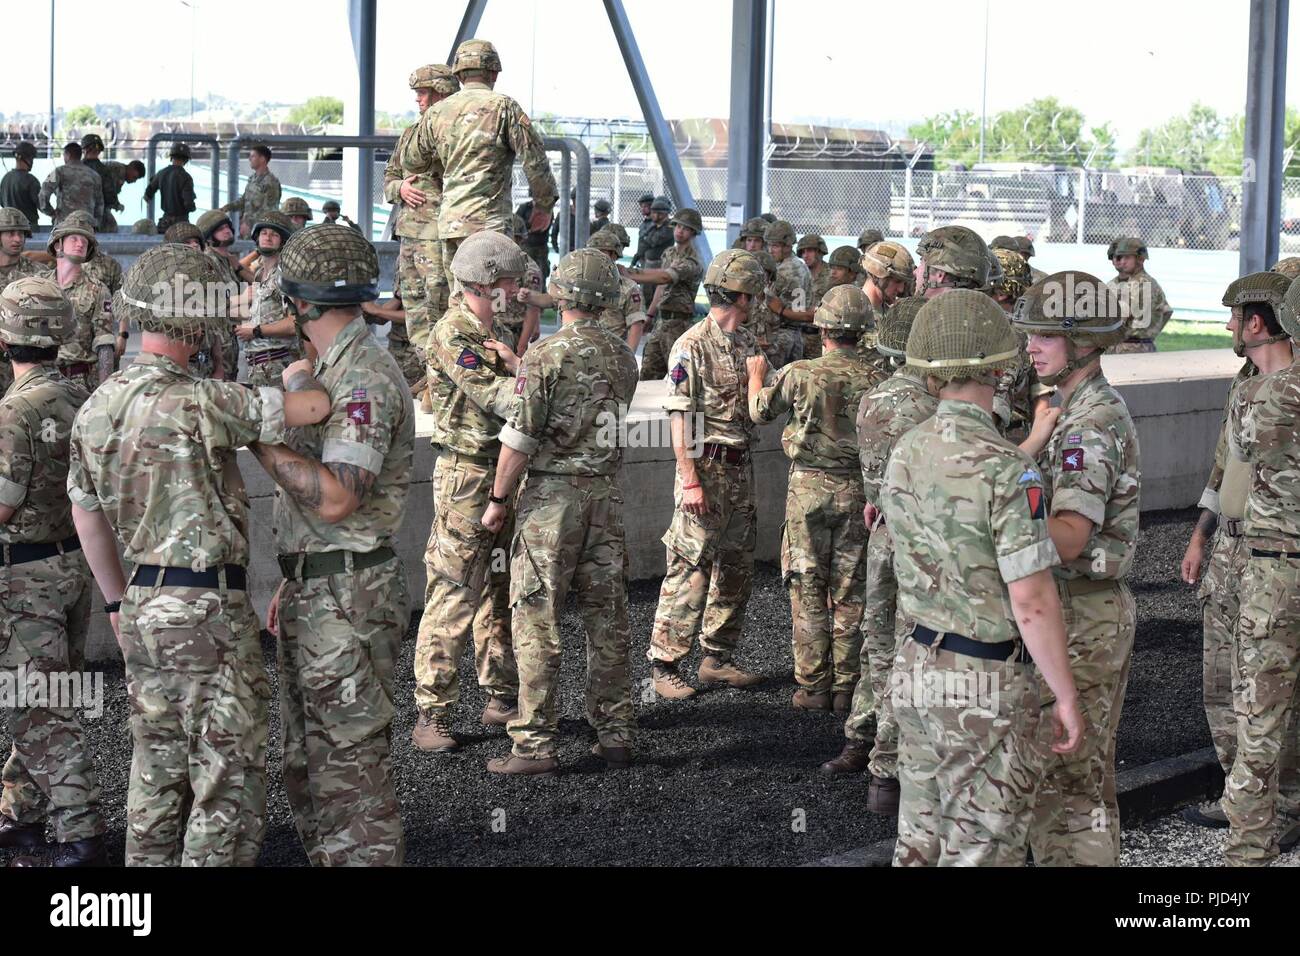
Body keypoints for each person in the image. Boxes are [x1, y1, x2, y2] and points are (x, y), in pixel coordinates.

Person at [68, 243, 332, 865]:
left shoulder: (95, 406)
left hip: (140, 602)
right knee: (227, 775)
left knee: (156, 768)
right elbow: (313, 409)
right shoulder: (207, 398)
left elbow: (86, 511)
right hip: (206, 606)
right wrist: (296, 366)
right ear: (196, 325)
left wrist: (115, 599)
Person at [882, 290, 1083, 866]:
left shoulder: (907, 450)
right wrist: (1065, 695)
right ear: (1000, 368)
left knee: (919, 842)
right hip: (985, 680)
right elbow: (1033, 599)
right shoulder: (1007, 468)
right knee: (981, 848)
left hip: (916, 666)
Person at [247, 224, 413, 867]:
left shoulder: (363, 376)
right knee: (309, 764)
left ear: (301, 304)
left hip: (347, 598)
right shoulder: (334, 368)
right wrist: (295, 574)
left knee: (350, 776)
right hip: (320, 586)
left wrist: (258, 432)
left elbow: (341, 496)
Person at [480, 249, 640, 774]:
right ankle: (615, 732)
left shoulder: (545, 356)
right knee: (607, 617)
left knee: (537, 619)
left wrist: (499, 500)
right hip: (606, 498)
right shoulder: (624, 356)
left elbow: (520, 439)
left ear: (561, 293)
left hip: (551, 503)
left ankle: (534, 744)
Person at [1011, 271, 1141, 867]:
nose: (1030, 346)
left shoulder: (1089, 423)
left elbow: (1066, 541)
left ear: (1083, 343)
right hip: (1071, 611)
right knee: (1057, 783)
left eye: (1044, 336)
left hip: (1082, 613)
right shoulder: (1067, 412)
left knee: (1070, 791)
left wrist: (1000, 532)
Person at [0, 276, 104, 867]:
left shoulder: (14, 410)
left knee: (37, 703)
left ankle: (81, 828)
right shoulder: (78, 397)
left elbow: (3, 505)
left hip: (23, 577)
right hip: (70, 565)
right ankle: (20, 811)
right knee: (48, 691)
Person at [748, 285, 887, 712]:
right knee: (851, 589)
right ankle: (847, 686)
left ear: (822, 327)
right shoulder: (881, 377)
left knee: (807, 584)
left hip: (809, 488)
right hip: (861, 488)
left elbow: (760, 411)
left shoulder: (800, 372)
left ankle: (814, 687)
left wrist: (756, 375)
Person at [411, 230, 524, 753]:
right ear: (483, 283)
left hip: (500, 472)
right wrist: (534, 375)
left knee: (498, 587)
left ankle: (500, 694)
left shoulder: (490, 330)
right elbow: (501, 397)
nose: (517, 291)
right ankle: (432, 711)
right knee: (455, 589)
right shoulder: (454, 333)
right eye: (509, 282)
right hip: (468, 477)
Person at [819, 297, 932, 817]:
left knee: (877, 640)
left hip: (884, 532)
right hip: (928, 540)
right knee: (917, 647)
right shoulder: (941, 400)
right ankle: (889, 764)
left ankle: (859, 738)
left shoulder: (876, 398)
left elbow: (872, 481)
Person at [647, 250, 772, 698]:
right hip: (705, 468)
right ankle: (664, 664)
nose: (757, 299)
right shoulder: (691, 345)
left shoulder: (748, 344)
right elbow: (679, 419)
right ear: (739, 294)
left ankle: (717, 657)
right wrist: (691, 479)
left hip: (741, 470)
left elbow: (764, 406)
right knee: (690, 567)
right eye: (753, 292)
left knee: (736, 568)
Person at [1178, 277, 1267, 829]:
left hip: (1274, 554)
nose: (1230, 325)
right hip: (1230, 547)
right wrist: (1200, 533)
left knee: (1268, 688)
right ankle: (1240, 795)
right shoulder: (1247, 380)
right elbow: (1222, 465)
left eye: (1236, 315)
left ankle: (1276, 804)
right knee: (1221, 679)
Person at [1221, 272, 1300, 866]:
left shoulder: (1258, 395)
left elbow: (1241, 463)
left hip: (1274, 569)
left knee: (1259, 714)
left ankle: (1250, 847)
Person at [399, 39, 557, 291]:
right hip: (490, 225)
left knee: (459, 302)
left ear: (459, 74)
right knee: (493, 303)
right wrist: (544, 205)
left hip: (450, 225)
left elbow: (412, 161)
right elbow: (535, 161)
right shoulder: (504, 108)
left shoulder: (437, 112)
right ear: (493, 72)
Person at [385, 63, 460, 356]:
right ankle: (426, 367)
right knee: (414, 306)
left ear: (441, 93)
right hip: (410, 234)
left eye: (423, 93)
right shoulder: (410, 133)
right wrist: (400, 189)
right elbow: (390, 176)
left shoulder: (457, 130)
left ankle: (443, 369)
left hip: (441, 234)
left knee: (440, 304)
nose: (418, 99)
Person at [623, 207, 703, 380]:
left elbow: (664, 277)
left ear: (693, 232)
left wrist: (629, 274)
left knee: (680, 379)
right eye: (678, 226)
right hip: (662, 322)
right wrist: (650, 315)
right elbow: (661, 287)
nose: (680, 231)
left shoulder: (692, 261)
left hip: (679, 324)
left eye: (686, 228)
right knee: (647, 373)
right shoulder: (669, 253)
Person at [234, 210, 300, 387]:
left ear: (283, 241)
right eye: (263, 233)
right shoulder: (258, 275)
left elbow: (295, 323)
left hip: (279, 365)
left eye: (274, 234)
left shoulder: (285, 275)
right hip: (258, 366)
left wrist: (256, 331)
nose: (268, 237)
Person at [46, 219, 113, 391]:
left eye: (85, 241)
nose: (81, 243)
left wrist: (104, 391)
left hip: (79, 380)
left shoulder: (98, 290)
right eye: (74, 238)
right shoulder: (38, 284)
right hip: (41, 378)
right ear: (58, 245)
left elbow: (104, 343)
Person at [0, 207, 46, 395]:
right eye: (11, 233)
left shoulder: (39, 274)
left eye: (21, 234)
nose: (18, 239)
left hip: (25, 366)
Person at [1106, 238, 1173, 353]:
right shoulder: (1114, 283)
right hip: (1117, 347)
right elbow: (1166, 311)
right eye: (1117, 257)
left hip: (1134, 349)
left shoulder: (1143, 283)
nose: (1121, 261)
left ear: (1140, 259)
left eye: (1127, 257)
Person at [765, 220, 814, 359]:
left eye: (775, 246)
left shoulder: (782, 271)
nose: (770, 250)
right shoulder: (801, 266)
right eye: (769, 245)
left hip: (781, 335)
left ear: (787, 246)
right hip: (797, 335)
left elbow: (770, 304)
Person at [80, 134, 144, 233]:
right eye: (135, 177)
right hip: (95, 211)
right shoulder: (111, 170)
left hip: (75, 212)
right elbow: (108, 191)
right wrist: (116, 204)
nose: (134, 181)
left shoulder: (70, 168)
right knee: (111, 229)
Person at [38, 142, 103, 229]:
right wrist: (96, 223)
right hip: (86, 226)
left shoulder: (58, 171)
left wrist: (51, 212)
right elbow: (100, 203)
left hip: (64, 225)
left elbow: (43, 195)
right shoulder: (94, 175)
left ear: (67, 155)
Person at [223, 144, 281, 239]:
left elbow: (269, 210)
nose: (250, 159)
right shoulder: (252, 179)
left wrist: (248, 223)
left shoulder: (271, 182)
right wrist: (226, 208)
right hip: (247, 229)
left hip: (261, 231)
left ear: (262, 159)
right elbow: (244, 200)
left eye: (253, 156)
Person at [630, 196, 674, 307]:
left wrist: (646, 239)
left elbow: (653, 240)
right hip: (649, 262)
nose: (654, 215)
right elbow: (644, 240)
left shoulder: (669, 226)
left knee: (659, 293)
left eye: (657, 212)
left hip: (660, 263)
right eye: (653, 212)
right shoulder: (652, 225)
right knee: (647, 293)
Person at [142, 143, 196, 233]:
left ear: (171, 157)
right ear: (186, 160)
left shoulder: (161, 173)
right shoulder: (186, 177)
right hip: (181, 223)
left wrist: (147, 197)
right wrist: (192, 208)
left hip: (165, 222)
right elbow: (188, 202)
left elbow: (149, 192)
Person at [0, 143, 42, 230]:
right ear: (28, 159)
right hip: (28, 229)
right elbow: (42, 204)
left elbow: (2, 202)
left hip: (9, 228)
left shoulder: (5, 178)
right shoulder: (31, 180)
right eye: (32, 159)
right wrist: (53, 213)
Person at [798, 233, 832, 303]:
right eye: (803, 252)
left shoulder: (833, 274)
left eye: (809, 251)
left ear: (820, 252)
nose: (805, 256)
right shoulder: (799, 274)